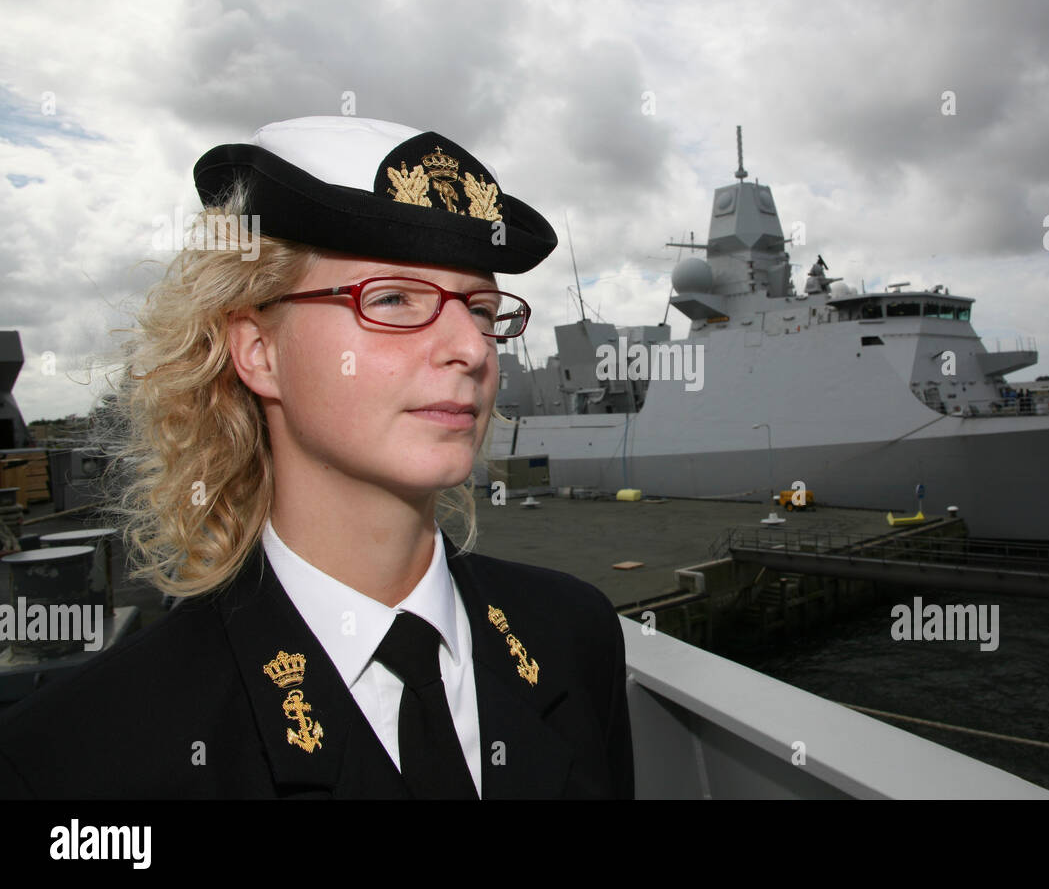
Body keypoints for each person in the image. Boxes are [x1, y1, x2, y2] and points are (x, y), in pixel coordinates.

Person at [0, 116, 634, 798]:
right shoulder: (78, 758)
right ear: (258, 352)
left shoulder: (574, 634)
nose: (473, 348)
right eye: (392, 299)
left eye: (481, 310)